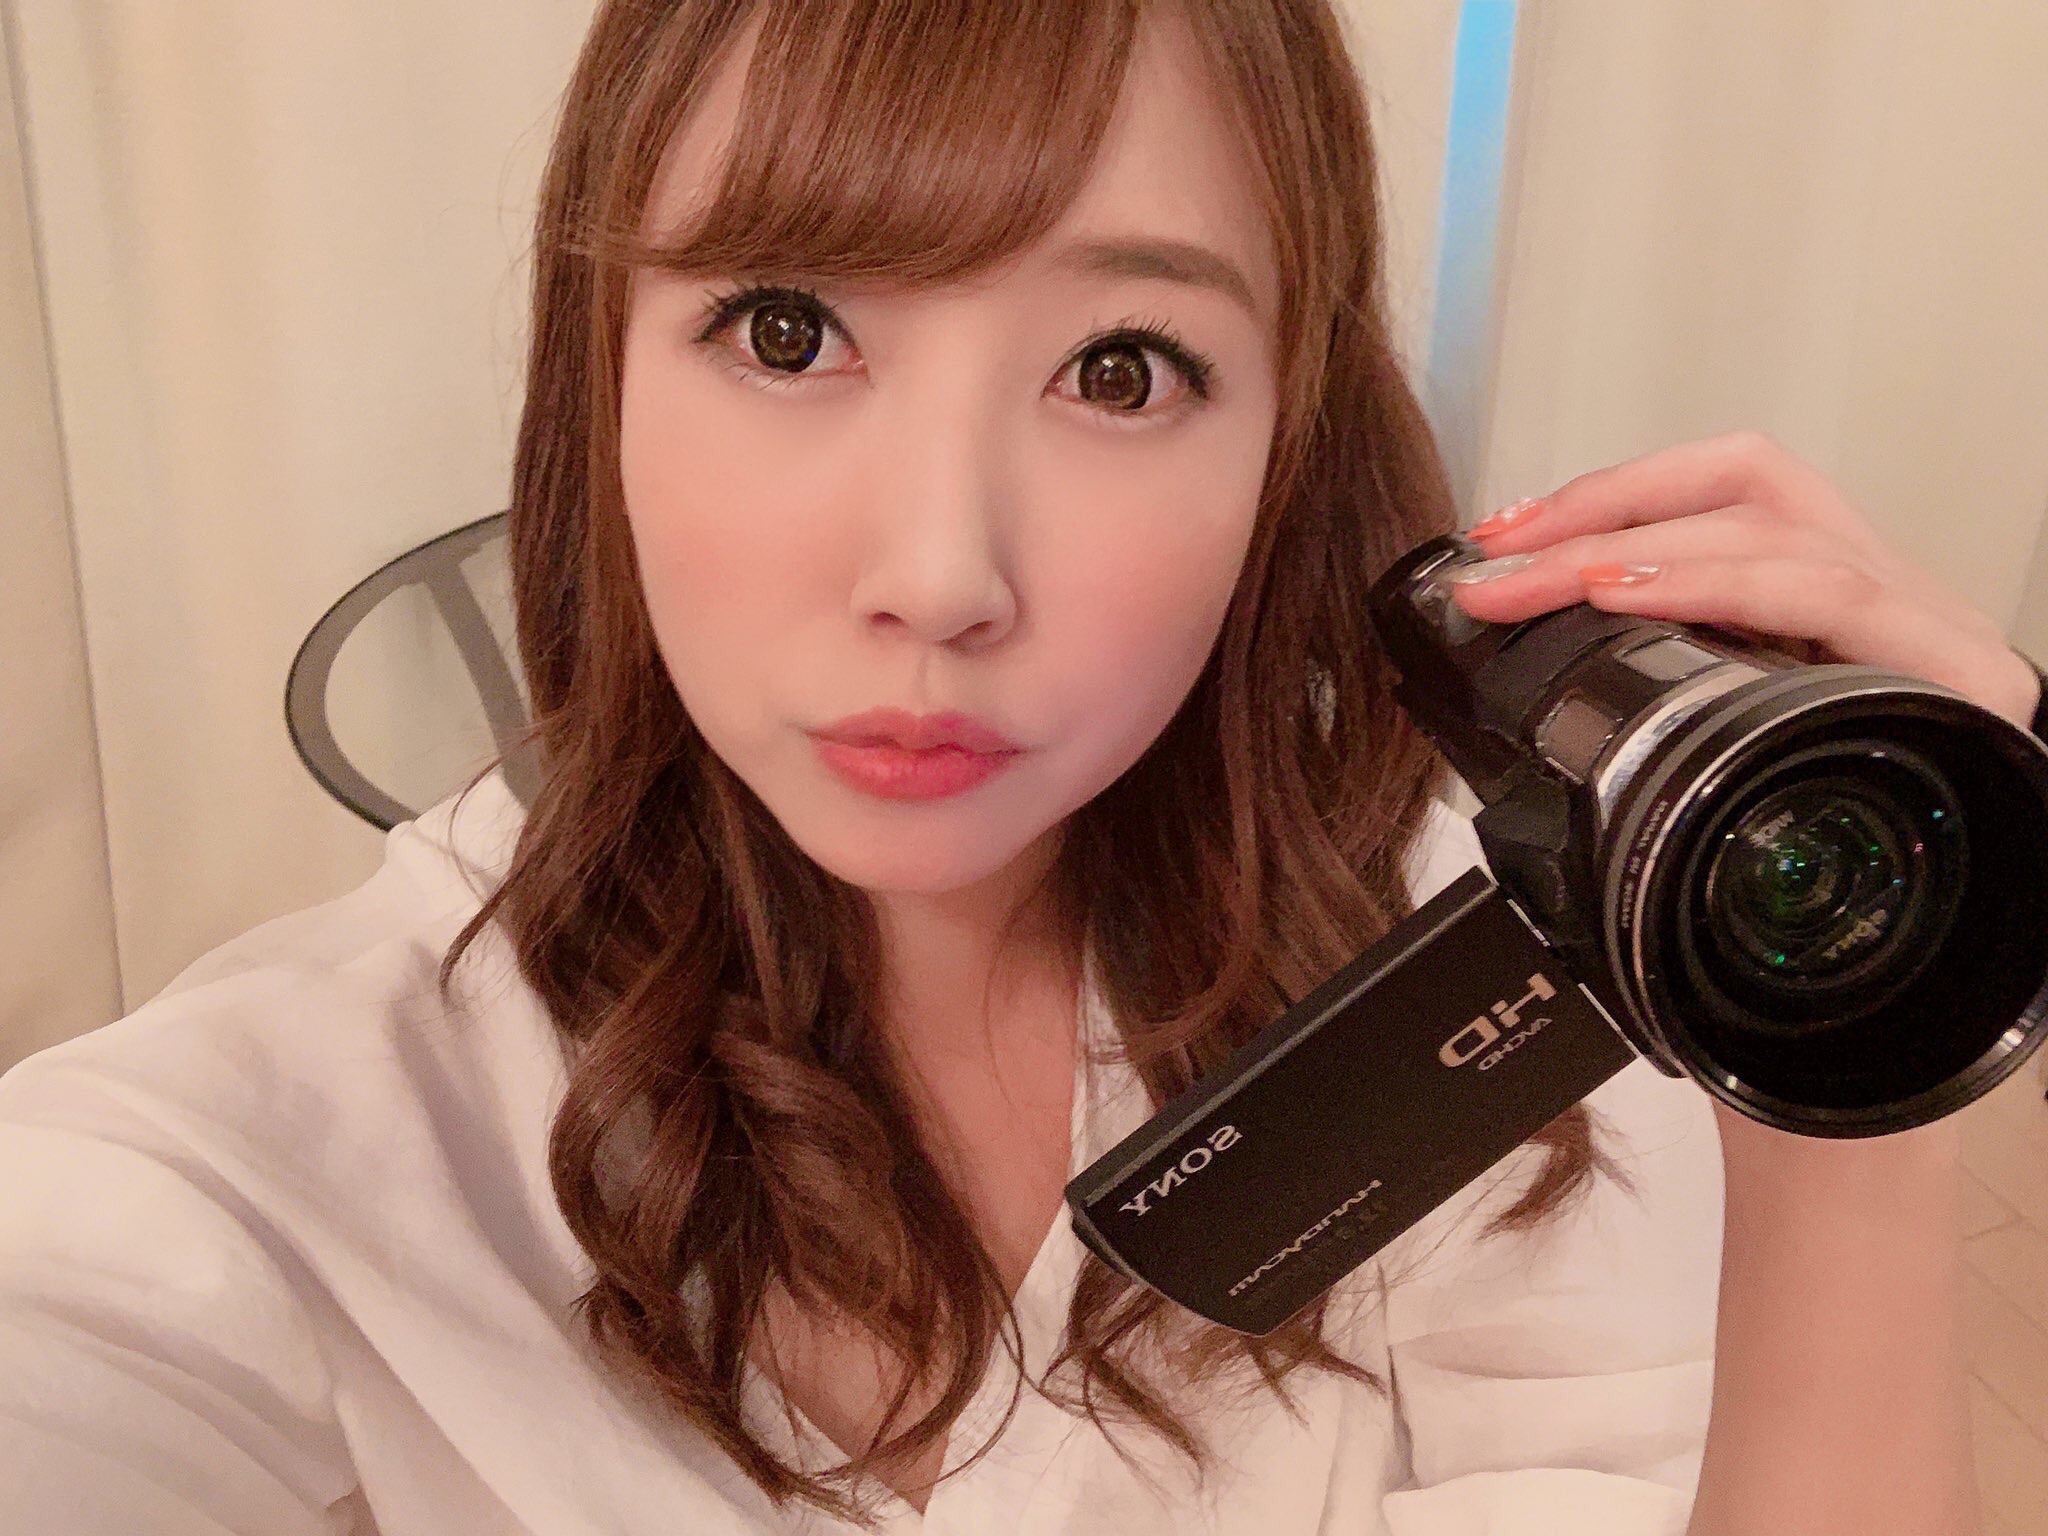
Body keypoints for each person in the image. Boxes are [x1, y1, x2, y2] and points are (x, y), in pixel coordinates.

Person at [0, 1, 2022, 1531]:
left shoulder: (1480, 954)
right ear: (595, 382)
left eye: (1120, 370)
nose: (941, 574)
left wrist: (1862, 1082)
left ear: (1282, 451)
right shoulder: (303, 1130)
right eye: (786, 332)